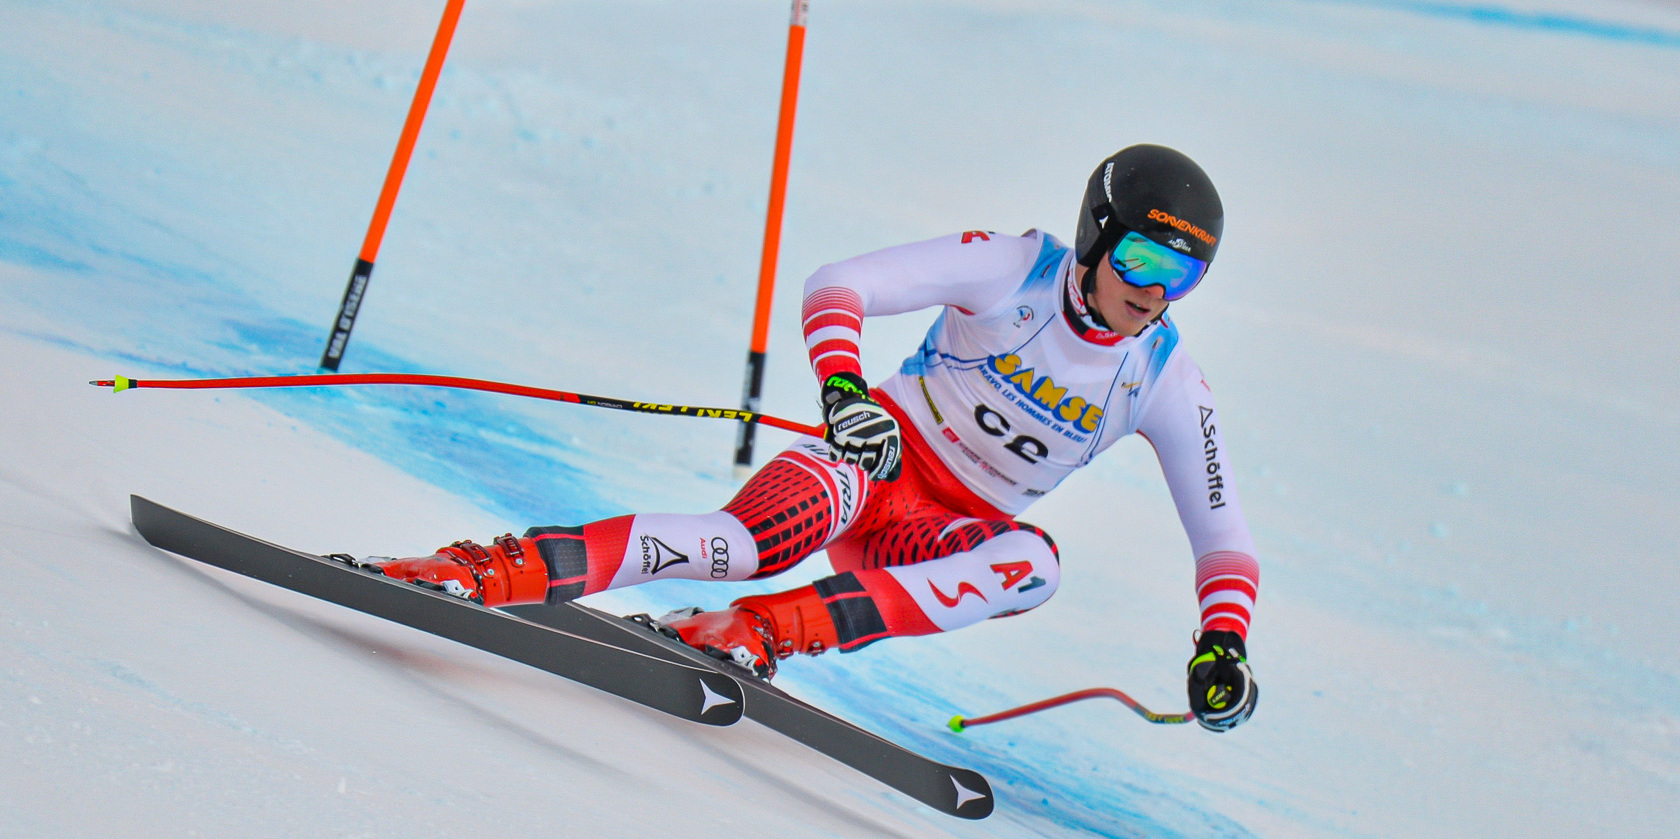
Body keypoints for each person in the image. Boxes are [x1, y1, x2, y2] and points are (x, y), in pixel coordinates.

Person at [371, 145, 1260, 732]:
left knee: (1035, 566)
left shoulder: (1167, 377)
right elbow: (841, 285)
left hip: (935, 535)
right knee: (743, 543)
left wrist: (1225, 640)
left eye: (1183, 275)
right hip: (873, 463)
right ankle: (491, 568)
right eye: (1143, 259)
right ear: (1098, 236)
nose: (1155, 292)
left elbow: (1224, 536)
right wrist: (844, 392)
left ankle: (757, 633)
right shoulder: (1011, 264)